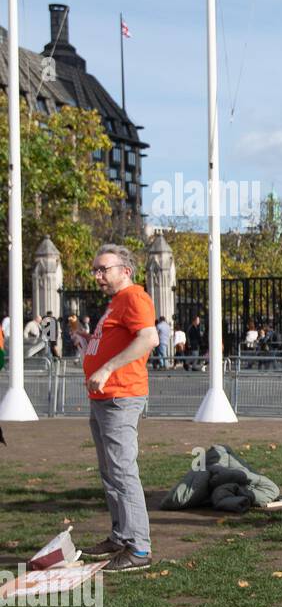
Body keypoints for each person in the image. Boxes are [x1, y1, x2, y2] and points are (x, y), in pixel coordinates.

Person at [79, 244, 159, 573]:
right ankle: (121, 536)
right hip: (104, 398)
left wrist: (106, 368)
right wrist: (87, 342)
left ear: (124, 270)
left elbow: (148, 338)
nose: (97, 275)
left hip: (120, 397)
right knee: (110, 471)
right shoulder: (115, 303)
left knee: (122, 471)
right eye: (95, 270)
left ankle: (139, 548)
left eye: (103, 269)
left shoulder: (134, 297)